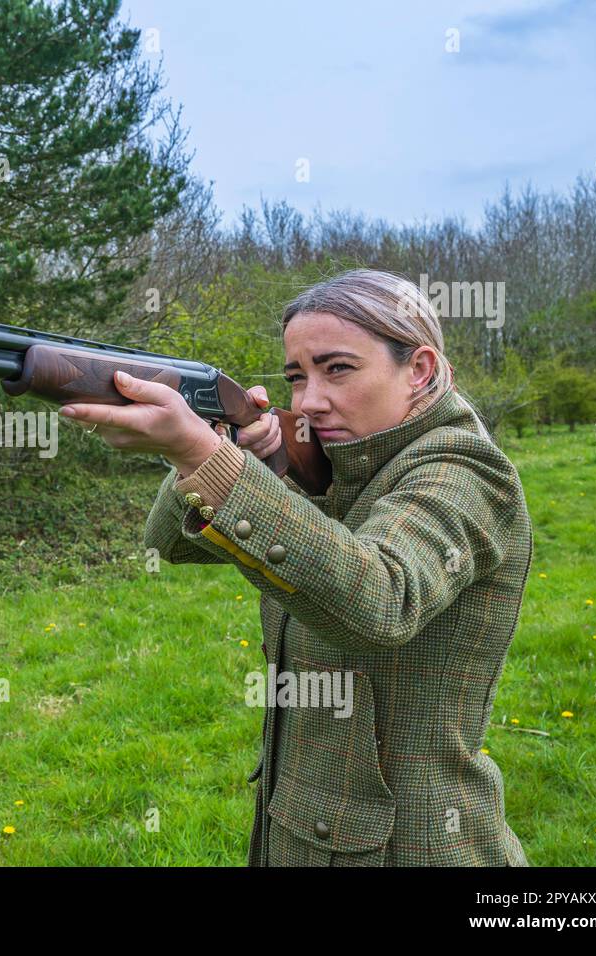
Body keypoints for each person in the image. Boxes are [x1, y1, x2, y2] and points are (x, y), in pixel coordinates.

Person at [58, 269, 533, 865]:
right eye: (295, 376)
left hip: (416, 847)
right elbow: (167, 546)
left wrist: (202, 454)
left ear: (420, 370)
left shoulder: (465, 470)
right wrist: (231, 456)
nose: (308, 401)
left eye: (337, 369)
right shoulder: (339, 459)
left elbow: (382, 599)